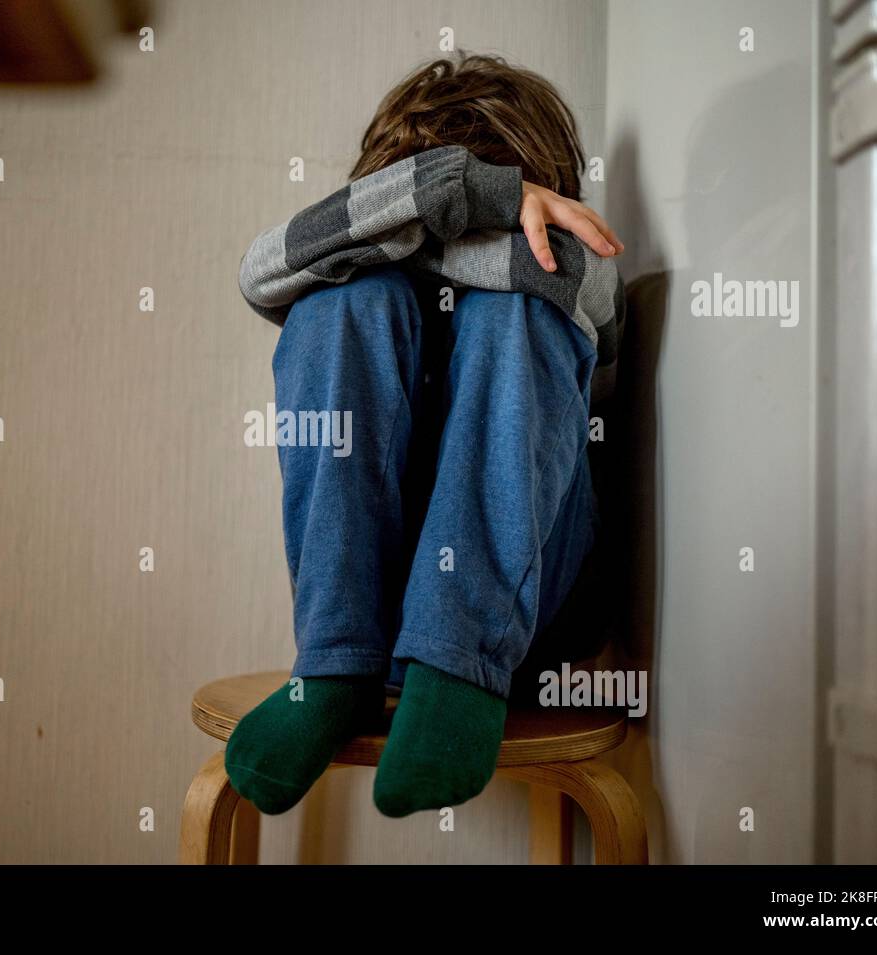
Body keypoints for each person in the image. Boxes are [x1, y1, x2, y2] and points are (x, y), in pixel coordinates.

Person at [228, 53, 626, 817]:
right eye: (429, 200)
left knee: (516, 306)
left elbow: (572, 273)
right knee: (337, 307)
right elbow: (257, 272)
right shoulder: (380, 293)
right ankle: (335, 666)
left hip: (535, 600)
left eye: (501, 194)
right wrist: (470, 197)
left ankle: (456, 670)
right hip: (381, 609)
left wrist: (414, 223)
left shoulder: (575, 254)